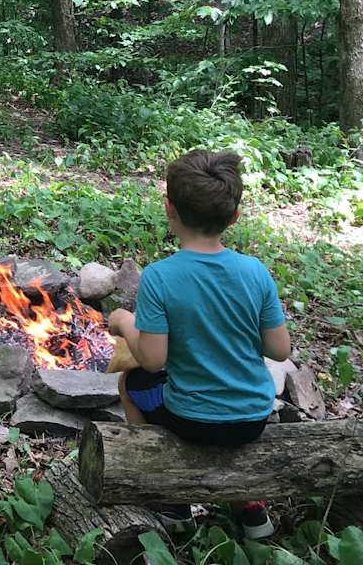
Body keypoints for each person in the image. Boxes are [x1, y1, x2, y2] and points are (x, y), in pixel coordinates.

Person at [108, 148, 292, 541]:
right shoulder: (255, 272)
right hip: (251, 420)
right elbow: (280, 350)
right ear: (234, 216)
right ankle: (251, 506)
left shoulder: (160, 277)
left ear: (169, 209)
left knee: (132, 383)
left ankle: (170, 497)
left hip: (190, 420)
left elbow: (154, 361)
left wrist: (125, 322)